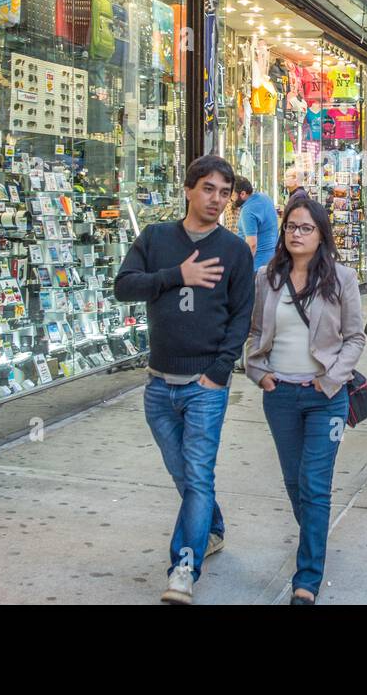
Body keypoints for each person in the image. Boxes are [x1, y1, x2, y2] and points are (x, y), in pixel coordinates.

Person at [114, 155, 255, 605]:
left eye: (224, 192)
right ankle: (211, 526)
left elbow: (241, 317)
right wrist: (179, 276)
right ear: (189, 190)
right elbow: (124, 286)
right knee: (184, 474)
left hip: (204, 386)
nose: (217, 199)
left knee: (197, 474)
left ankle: (183, 568)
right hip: (158, 385)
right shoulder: (156, 238)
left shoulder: (233, 251)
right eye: (209, 189)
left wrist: (219, 372)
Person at [246, 197, 365, 605]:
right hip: (279, 396)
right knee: (295, 483)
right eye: (291, 227)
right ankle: (313, 539)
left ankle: (307, 578)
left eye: (306, 228)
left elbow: (355, 338)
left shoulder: (341, 278)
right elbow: (254, 331)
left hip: (324, 397)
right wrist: (259, 373)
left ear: (321, 234)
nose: (296, 234)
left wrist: (332, 378)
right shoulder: (266, 277)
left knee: (315, 486)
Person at [232, 177, 278, 272]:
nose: (230, 199)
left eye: (232, 195)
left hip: (256, 265)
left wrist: (242, 267)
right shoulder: (264, 197)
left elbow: (252, 244)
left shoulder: (248, 210)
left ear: (243, 194)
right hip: (270, 260)